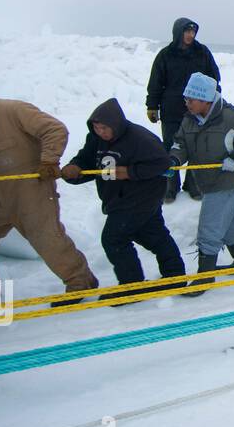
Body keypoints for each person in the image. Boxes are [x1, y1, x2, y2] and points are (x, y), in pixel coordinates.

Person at [0, 78, 98, 304]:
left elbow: (54, 129)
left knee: (47, 240)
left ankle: (81, 282)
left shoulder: (12, 110)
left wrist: (49, 160)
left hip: (31, 191)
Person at [61, 98, 185, 298]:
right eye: (96, 127)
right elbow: (87, 159)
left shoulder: (140, 138)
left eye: (104, 128)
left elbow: (163, 165)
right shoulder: (96, 139)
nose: (100, 132)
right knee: (152, 234)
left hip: (141, 197)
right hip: (117, 198)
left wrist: (130, 172)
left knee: (114, 238)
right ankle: (175, 276)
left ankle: (131, 286)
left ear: (115, 124)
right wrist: (74, 169)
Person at [165, 73, 234, 295]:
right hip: (206, 180)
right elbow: (180, 143)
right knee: (227, 221)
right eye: (186, 99)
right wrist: (173, 159)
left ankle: (205, 276)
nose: (187, 103)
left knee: (210, 226)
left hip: (228, 180)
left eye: (191, 99)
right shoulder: (189, 119)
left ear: (206, 100)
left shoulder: (230, 118)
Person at [146, 18, 221, 202]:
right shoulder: (165, 55)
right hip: (171, 109)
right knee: (172, 147)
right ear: (178, 32)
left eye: (193, 32)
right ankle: (170, 188)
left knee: (197, 147)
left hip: (198, 109)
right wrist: (152, 106)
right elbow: (156, 82)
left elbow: (214, 79)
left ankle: (193, 185)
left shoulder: (202, 52)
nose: (190, 35)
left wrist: (212, 102)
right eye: (187, 31)